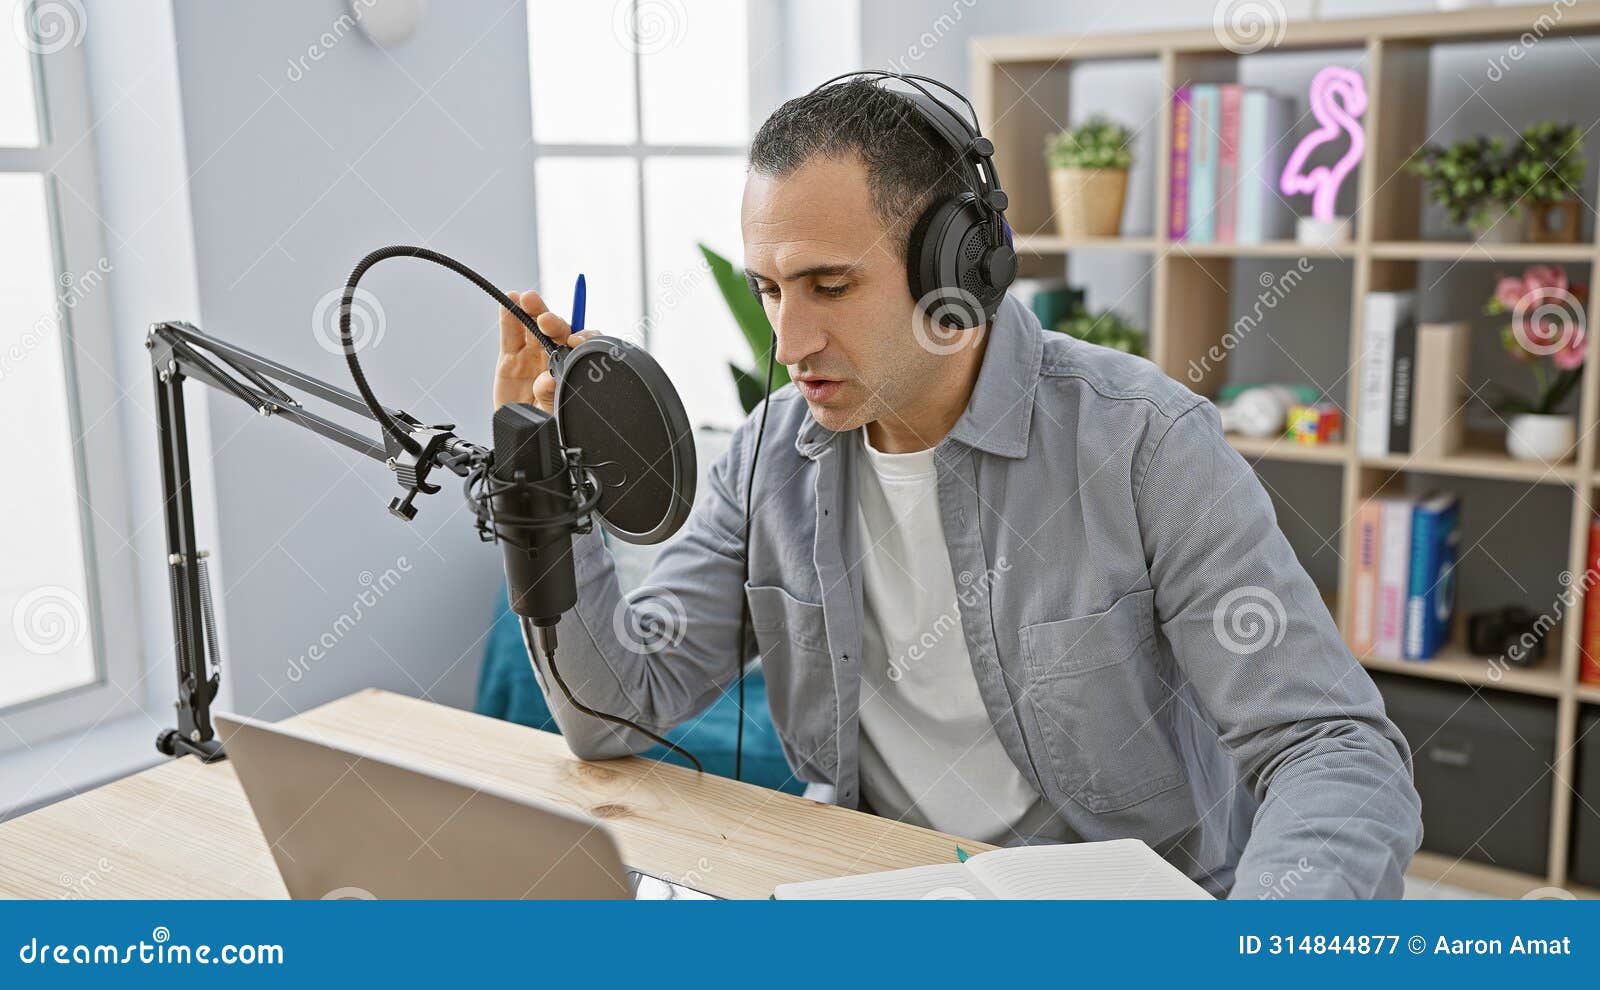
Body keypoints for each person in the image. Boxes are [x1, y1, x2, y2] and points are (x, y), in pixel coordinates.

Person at [491, 75, 1422, 899]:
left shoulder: (1145, 443)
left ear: (955, 269)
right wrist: (534, 480)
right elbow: (615, 710)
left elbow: (1332, 749)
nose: (790, 342)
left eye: (830, 286)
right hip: (868, 899)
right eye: (770, 289)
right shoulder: (769, 455)